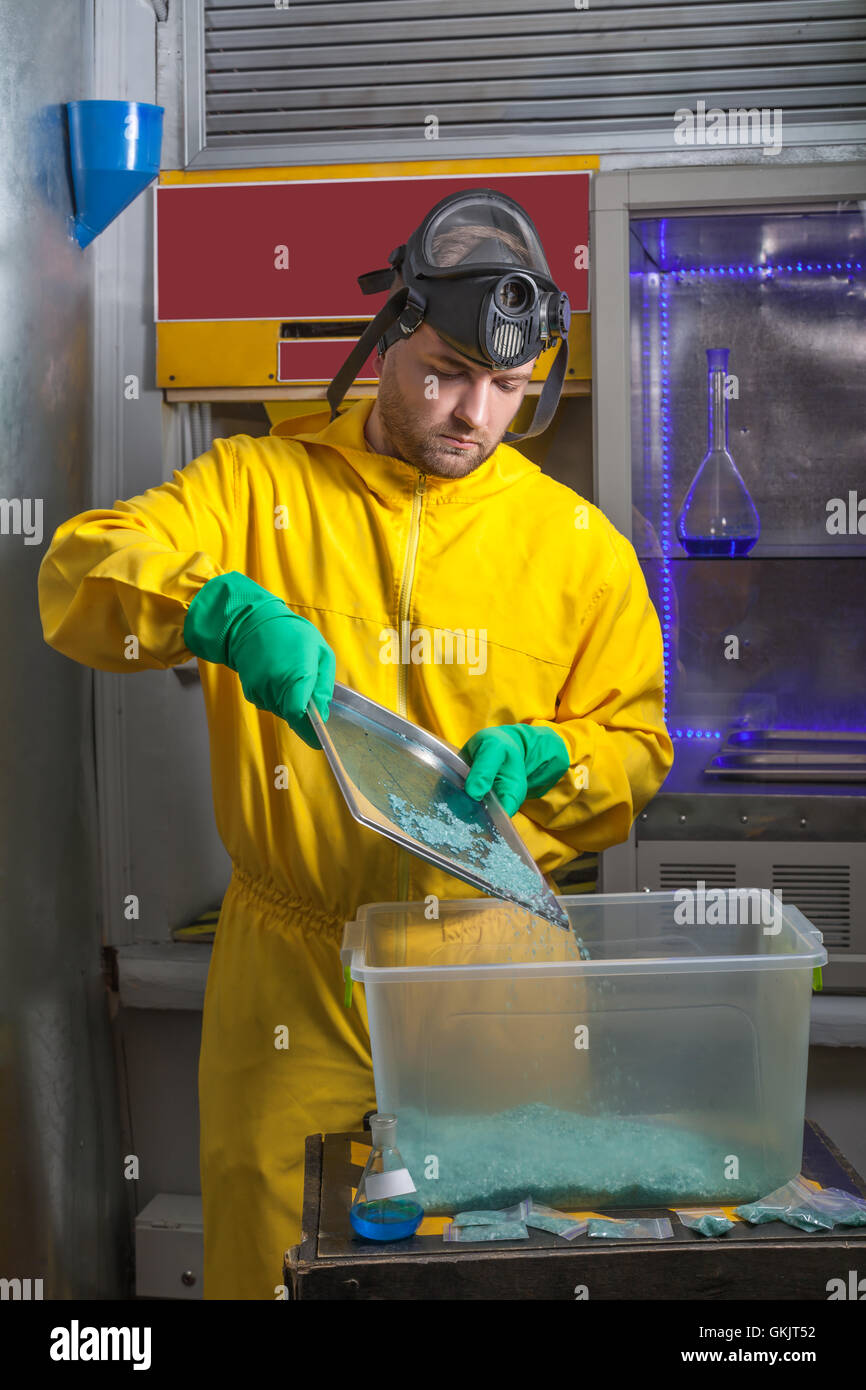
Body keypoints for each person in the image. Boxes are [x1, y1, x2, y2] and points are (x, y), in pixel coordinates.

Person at [37, 189, 674, 1299]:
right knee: (273, 1268)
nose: (474, 413)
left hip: (495, 970)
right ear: (387, 338)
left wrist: (560, 762)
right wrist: (214, 610)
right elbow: (78, 573)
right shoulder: (256, 485)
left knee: (495, 1271)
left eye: (509, 389)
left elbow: (636, 745)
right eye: (444, 372)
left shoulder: (579, 550)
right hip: (292, 966)